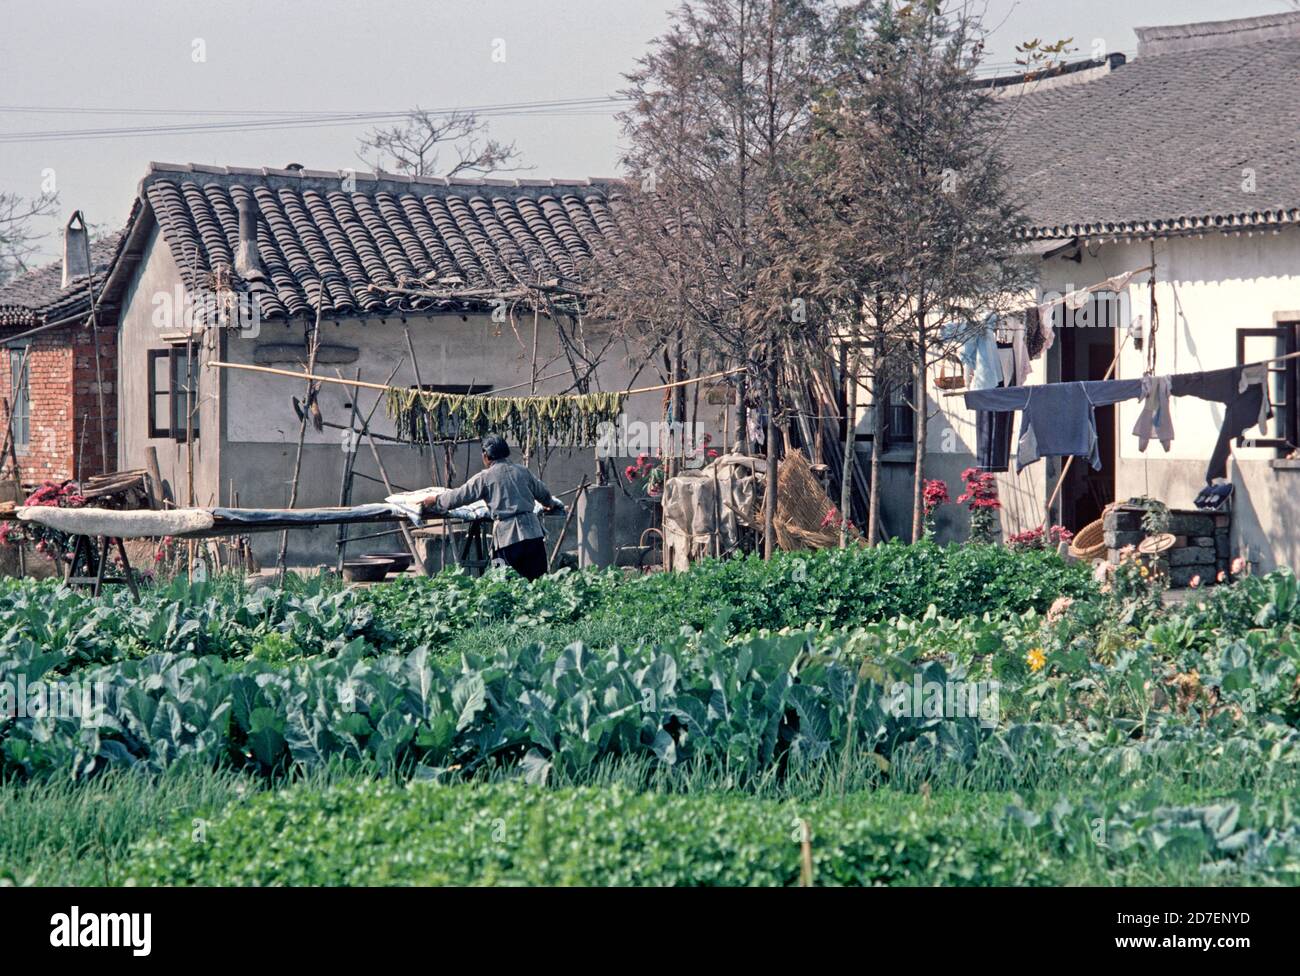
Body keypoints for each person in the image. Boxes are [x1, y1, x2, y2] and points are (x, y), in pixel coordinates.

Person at [421, 434, 564, 581]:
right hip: (533, 534)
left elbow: (459, 496)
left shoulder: (485, 477)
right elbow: (545, 495)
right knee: (537, 583)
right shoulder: (523, 471)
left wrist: (436, 500)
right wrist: (550, 505)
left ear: (486, 455)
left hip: (508, 538)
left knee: (507, 585)